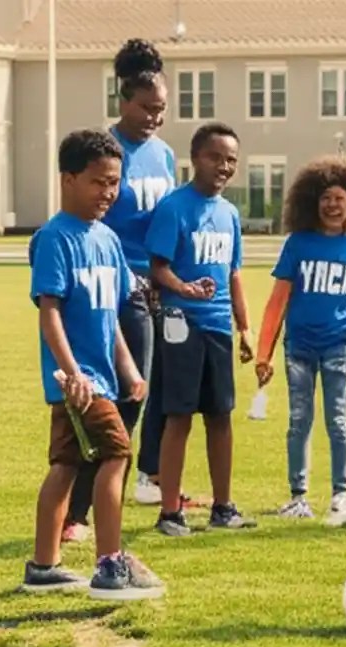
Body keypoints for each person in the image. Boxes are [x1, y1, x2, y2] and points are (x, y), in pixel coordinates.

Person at [21, 127, 164, 599]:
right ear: (68, 179)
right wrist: (74, 373)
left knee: (65, 464)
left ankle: (43, 566)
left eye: (114, 182)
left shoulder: (107, 239)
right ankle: (109, 565)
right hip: (79, 381)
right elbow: (50, 313)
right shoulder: (55, 238)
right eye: (98, 182)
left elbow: (111, 318)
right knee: (117, 453)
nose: (109, 192)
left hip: (101, 377)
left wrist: (128, 368)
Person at [63, 38, 176, 543]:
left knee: (150, 395)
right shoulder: (109, 153)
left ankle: (145, 483)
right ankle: (80, 512)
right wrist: (133, 277)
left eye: (163, 109)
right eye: (147, 108)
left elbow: (166, 224)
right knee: (126, 397)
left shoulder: (165, 155)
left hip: (158, 287)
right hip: (119, 286)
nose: (155, 117)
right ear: (123, 100)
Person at [253, 157, 346, 526]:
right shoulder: (298, 243)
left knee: (338, 420)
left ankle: (340, 495)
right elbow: (277, 300)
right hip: (298, 346)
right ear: (312, 202)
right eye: (326, 198)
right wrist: (263, 354)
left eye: (339, 198)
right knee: (299, 421)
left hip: (338, 346)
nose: (332, 205)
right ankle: (298, 496)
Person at [146, 122, 255, 536]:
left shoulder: (229, 213)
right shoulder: (174, 207)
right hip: (181, 325)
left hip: (218, 328)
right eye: (216, 157)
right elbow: (158, 267)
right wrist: (184, 289)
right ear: (195, 159)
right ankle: (170, 511)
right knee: (179, 418)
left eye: (231, 160)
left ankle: (223, 507)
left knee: (220, 415)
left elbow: (234, 274)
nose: (223, 166)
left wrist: (244, 328)